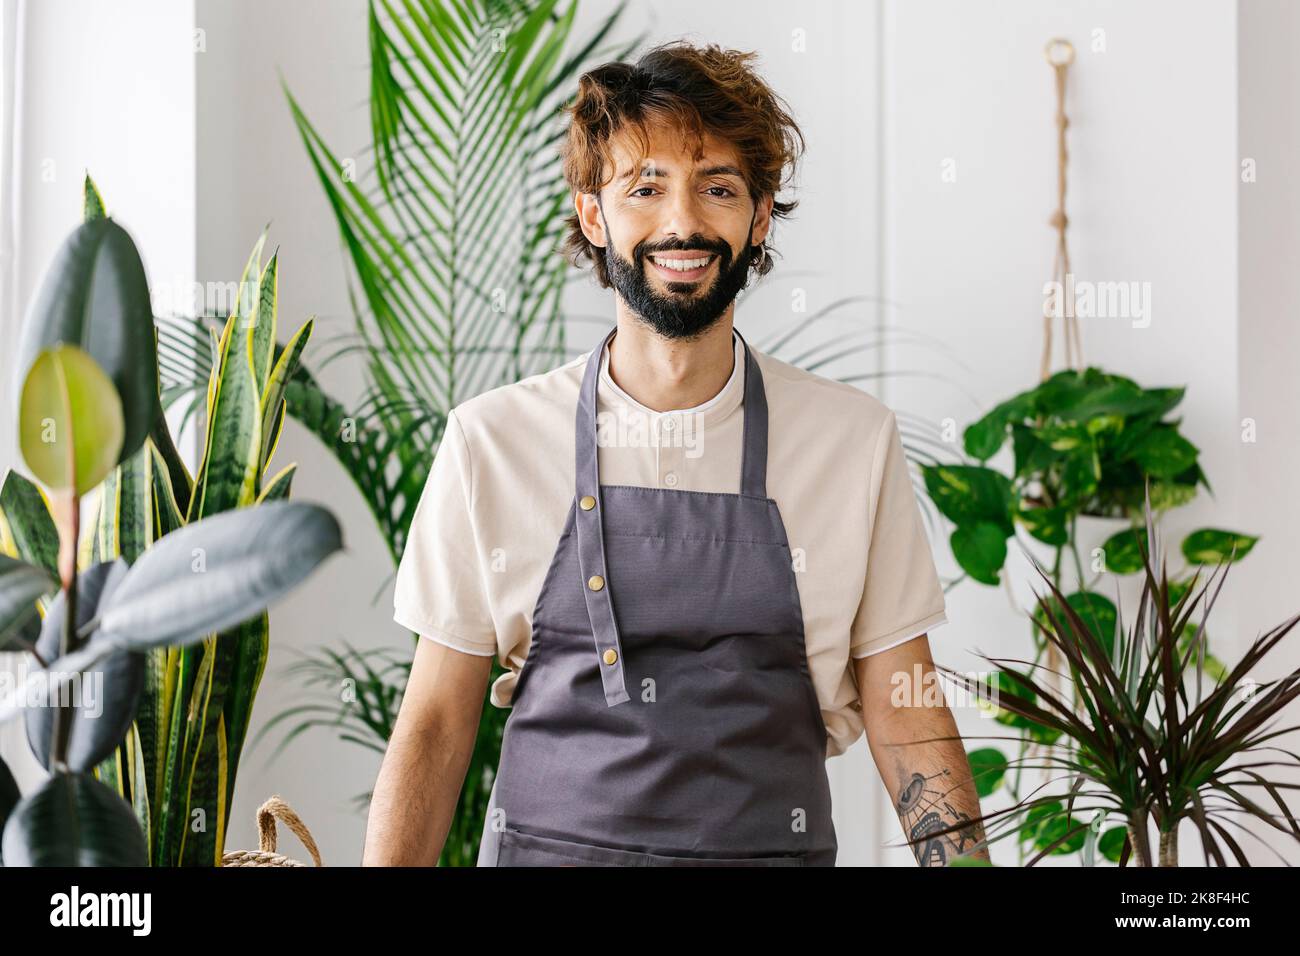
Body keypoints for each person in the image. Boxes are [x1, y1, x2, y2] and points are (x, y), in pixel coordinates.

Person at [363, 40, 988, 867]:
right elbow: (438, 721)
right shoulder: (491, 443)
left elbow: (906, 710)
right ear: (595, 215)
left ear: (760, 216)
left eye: (717, 188)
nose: (683, 223)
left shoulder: (852, 442)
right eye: (645, 188)